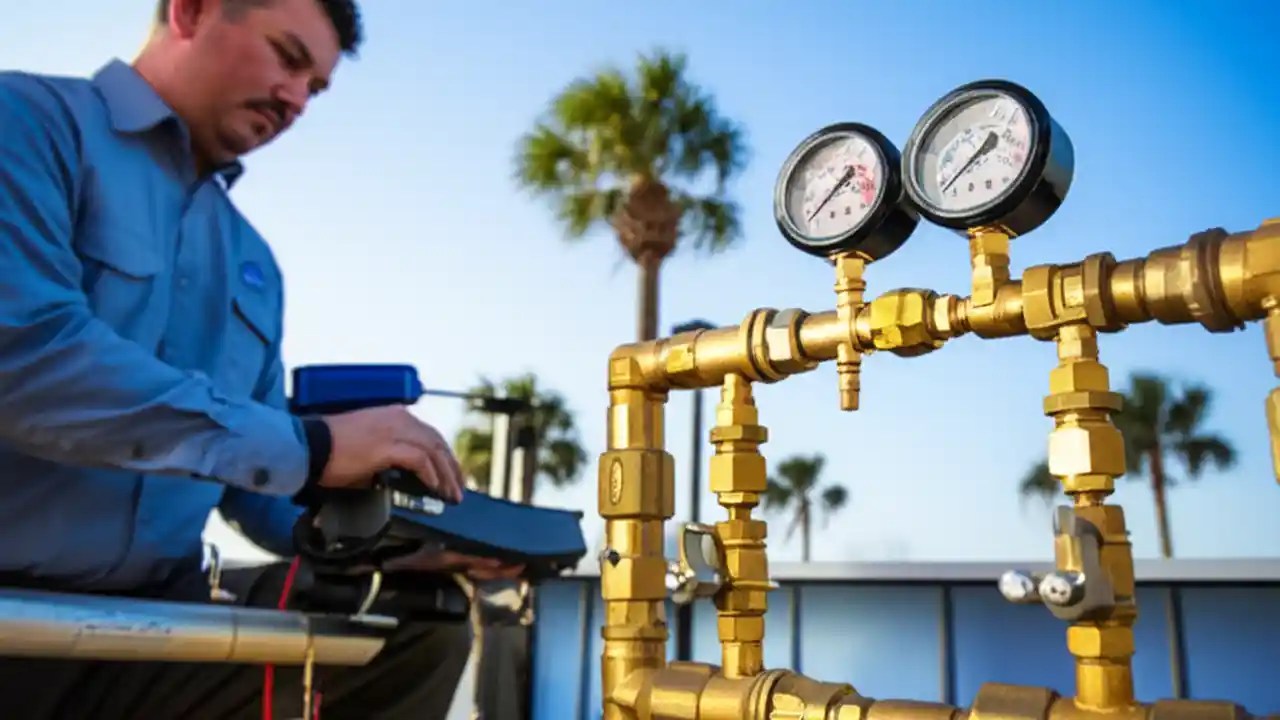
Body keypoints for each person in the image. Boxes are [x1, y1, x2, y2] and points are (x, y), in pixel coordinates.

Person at [0, 0, 522, 717]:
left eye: (318, 87)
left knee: (416, 620)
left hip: (158, 627)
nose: (299, 99)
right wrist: (312, 445)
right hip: (13, 617)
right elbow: (25, 362)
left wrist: (397, 543)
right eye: (289, 56)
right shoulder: (28, 123)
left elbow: (258, 496)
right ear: (190, 11)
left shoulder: (254, 264)